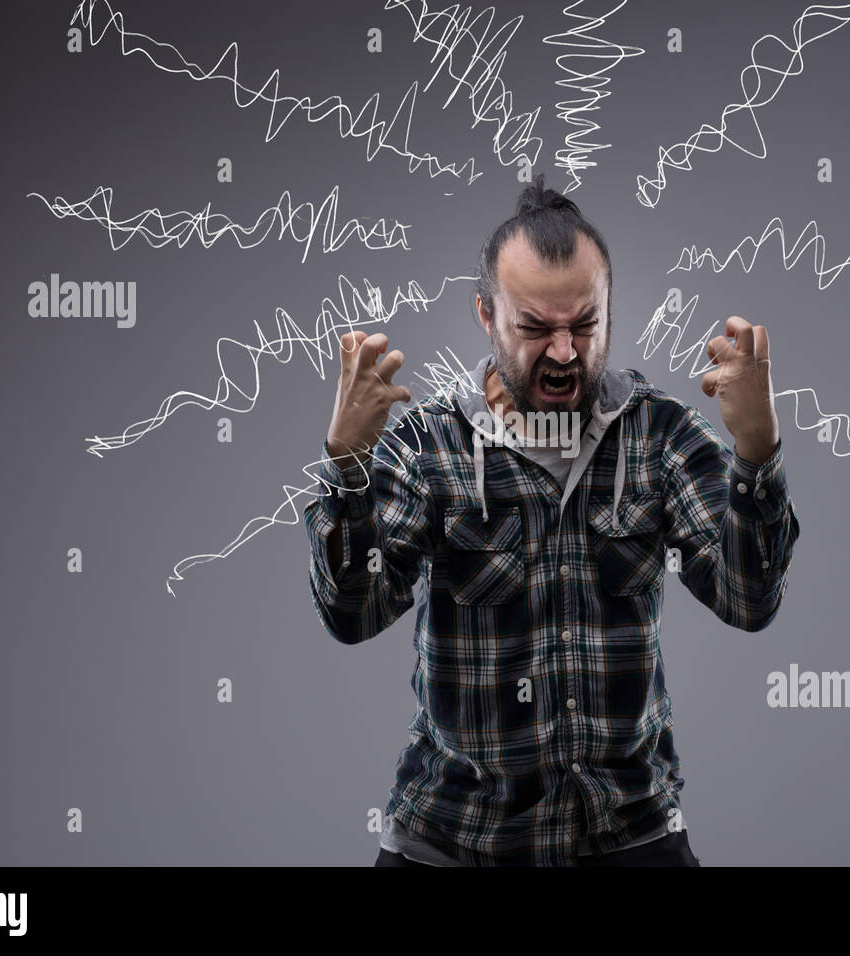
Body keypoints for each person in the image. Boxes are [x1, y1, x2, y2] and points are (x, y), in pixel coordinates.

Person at [303, 175, 800, 866]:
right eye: (536, 329)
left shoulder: (658, 435)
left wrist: (756, 452)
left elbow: (749, 600)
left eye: (584, 326)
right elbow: (351, 616)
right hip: (454, 841)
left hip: (630, 837)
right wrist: (347, 466)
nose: (564, 354)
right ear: (487, 315)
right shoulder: (429, 446)